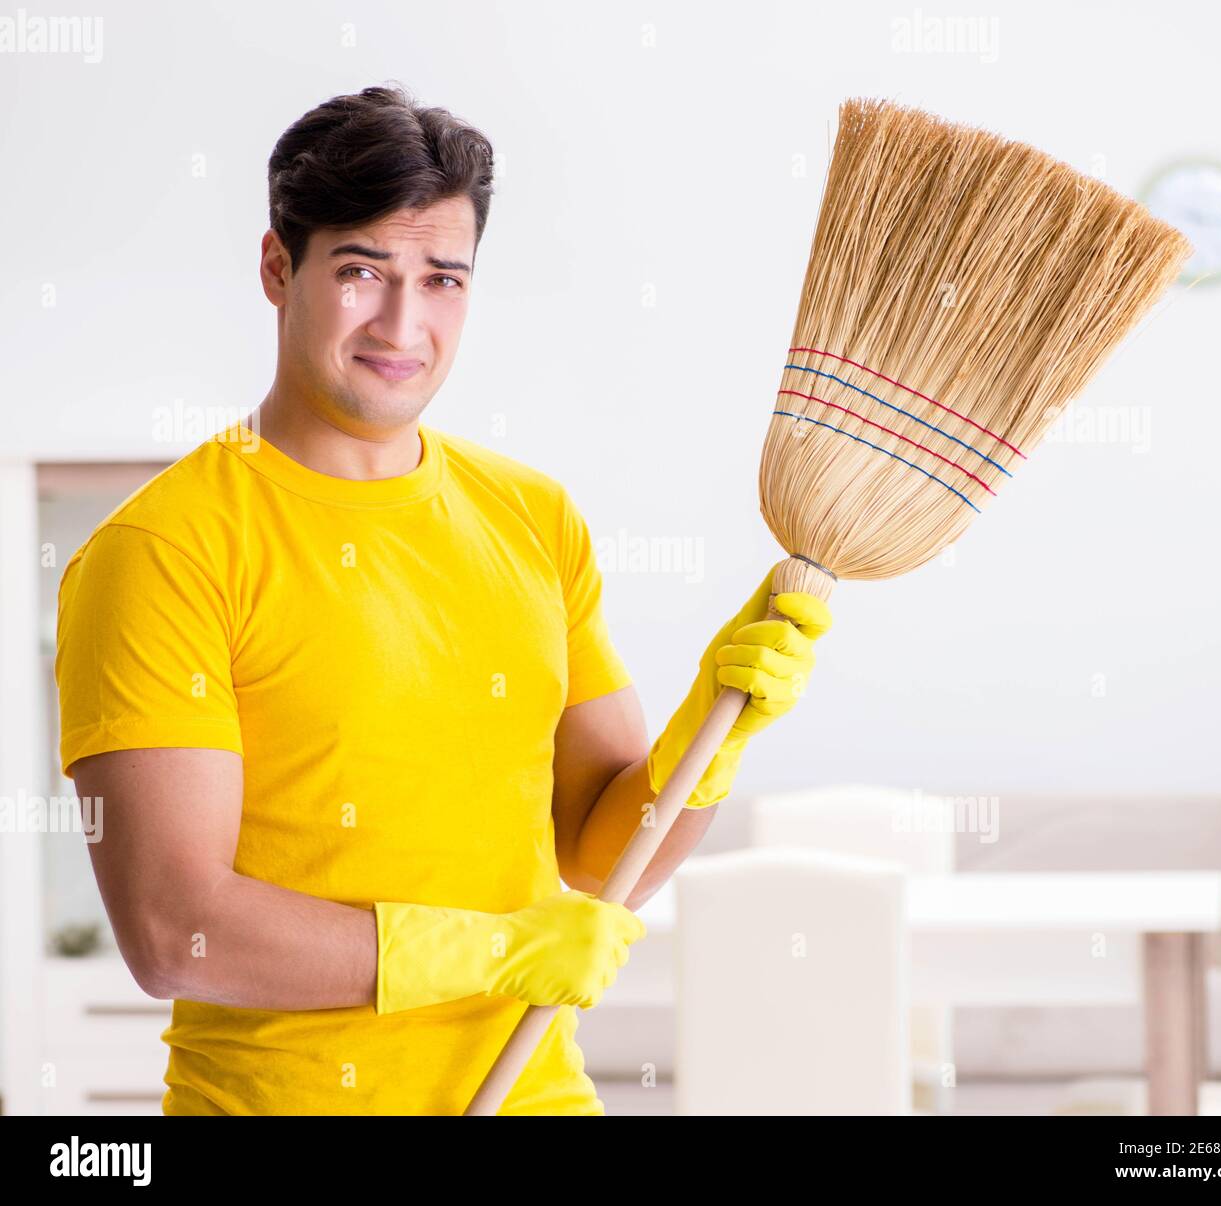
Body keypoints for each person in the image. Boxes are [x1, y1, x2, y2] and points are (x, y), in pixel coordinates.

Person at [54, 83, 832, 1116]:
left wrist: (713, 730)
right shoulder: (164, 548)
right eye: (363, 270)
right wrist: (492, 951)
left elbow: (604, 864)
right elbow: (172, 931)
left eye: (442, 279)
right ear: (278, 269)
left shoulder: (532, 516)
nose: (402, 323)